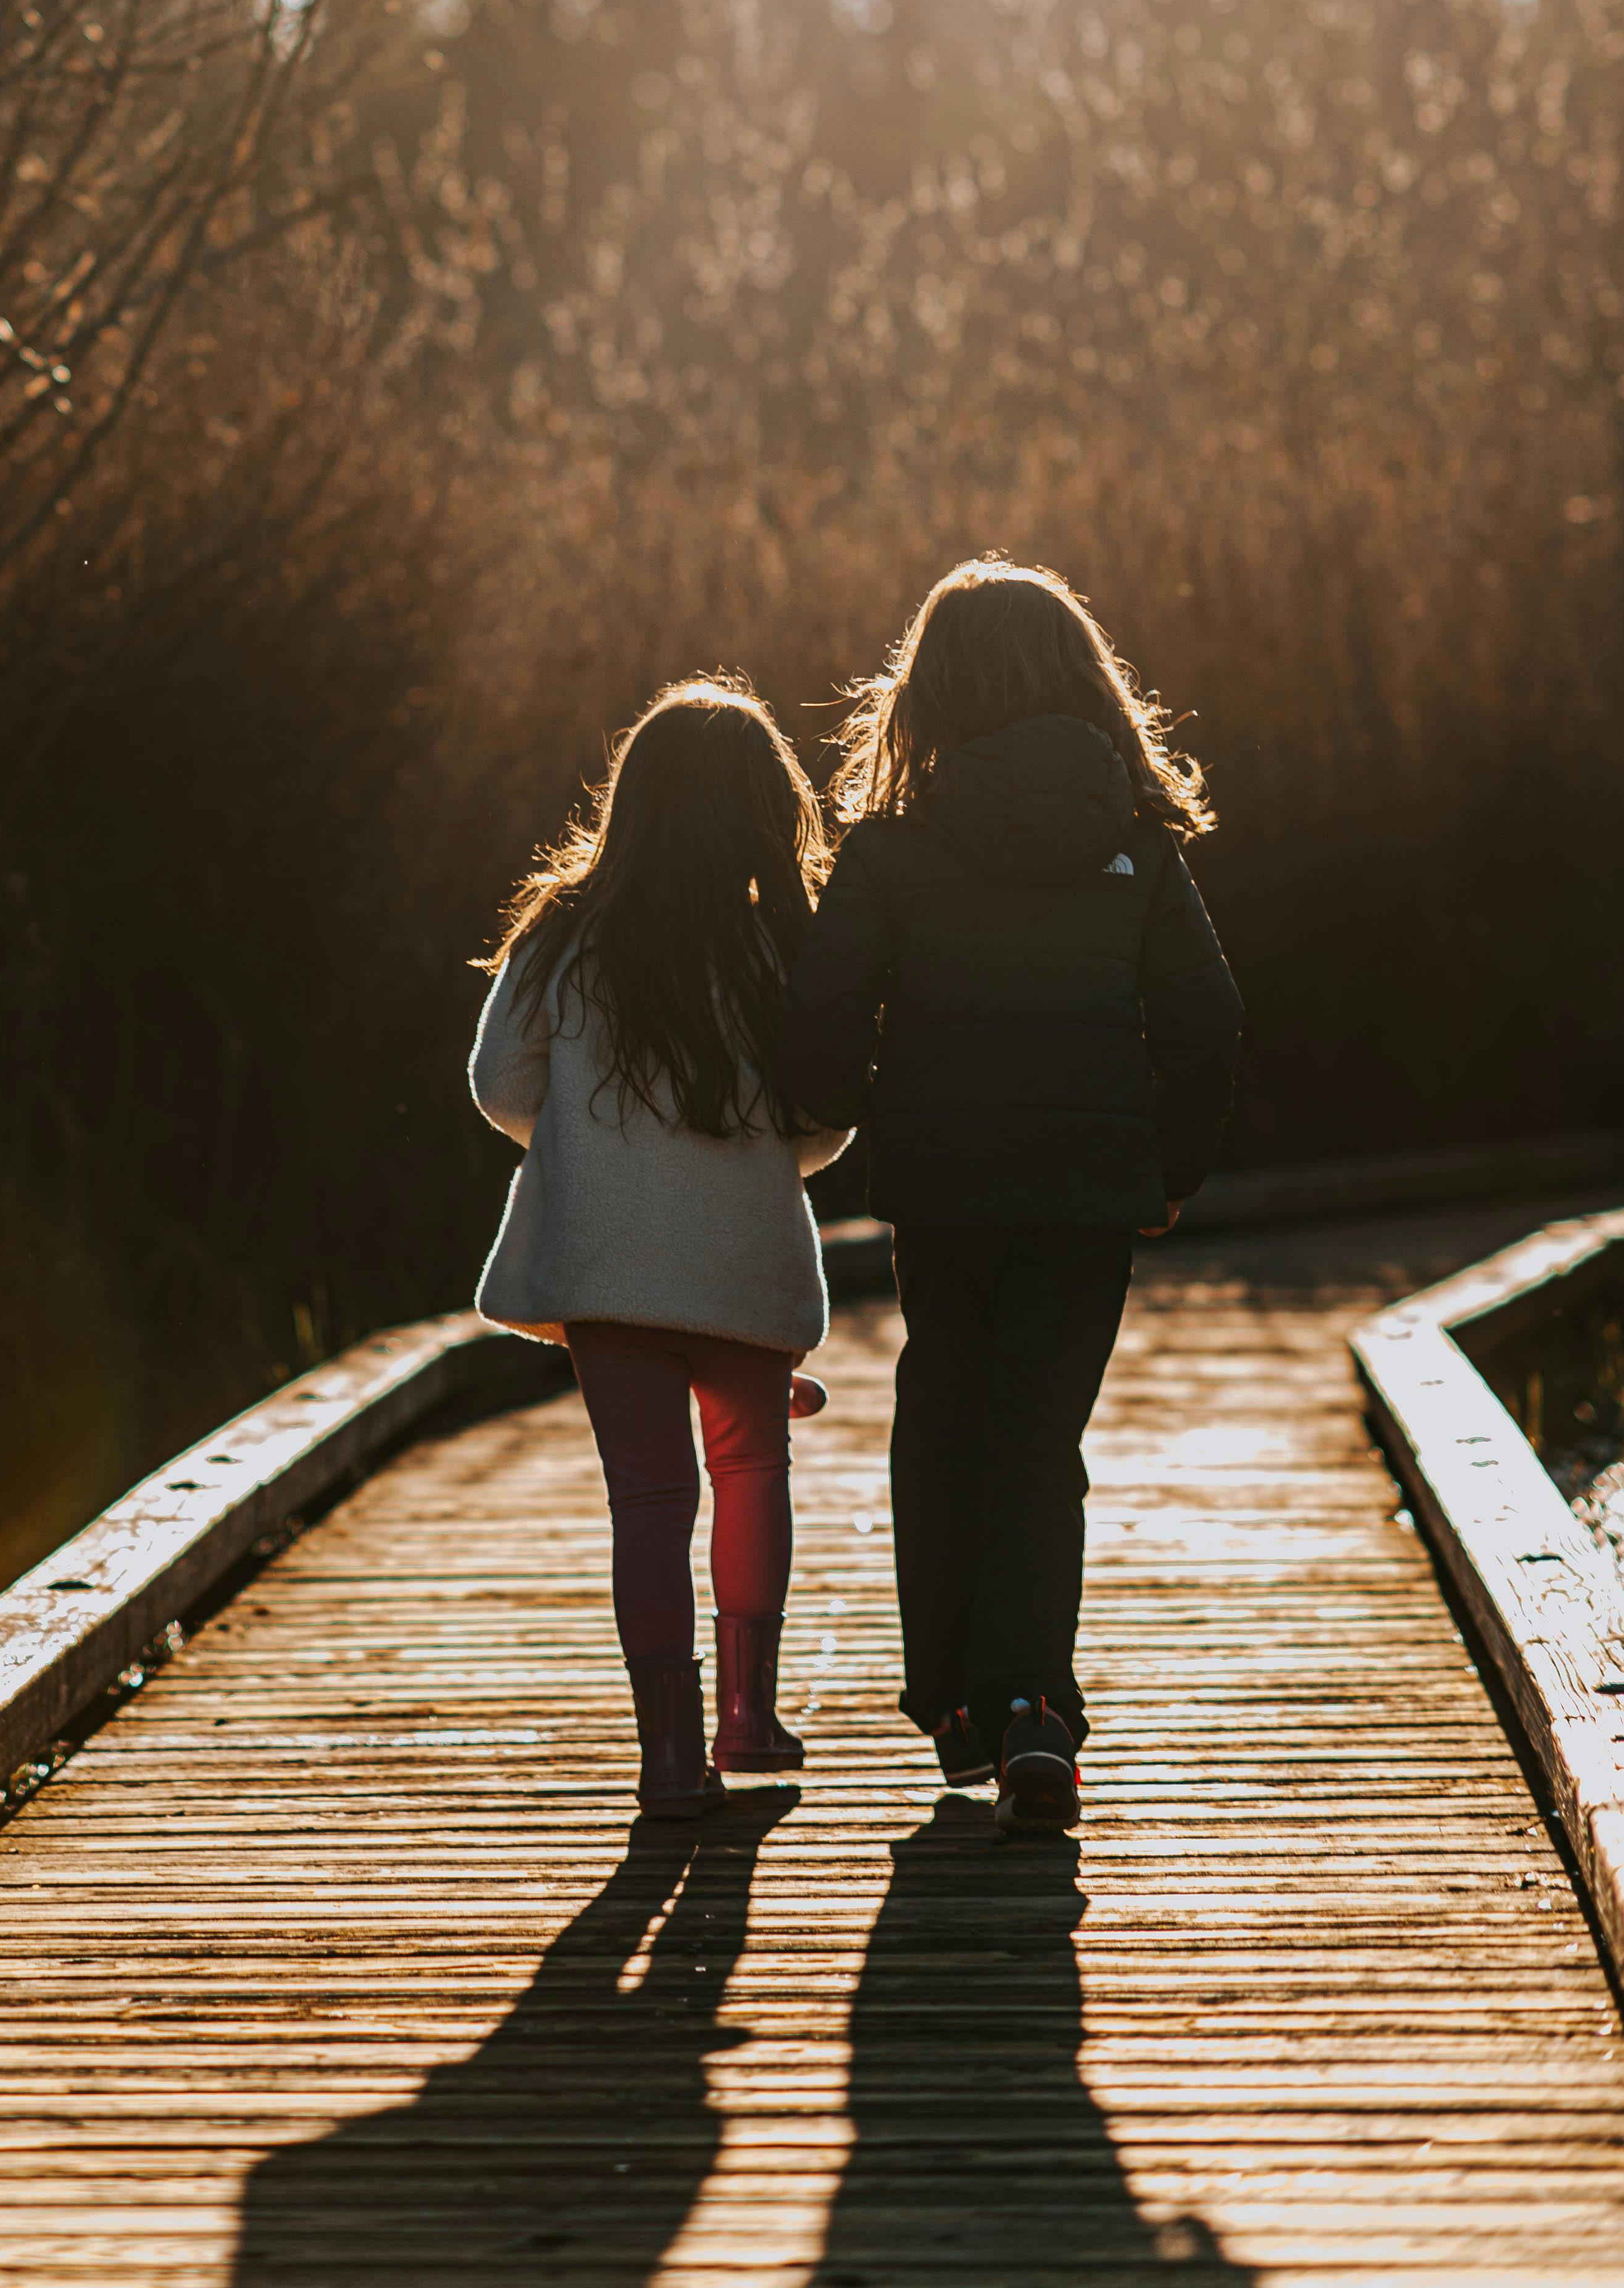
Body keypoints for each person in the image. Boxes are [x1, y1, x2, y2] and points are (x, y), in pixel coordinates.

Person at [771, 558, 1242, 1837]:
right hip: (1087, 1195)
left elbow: (817, 1015)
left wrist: (852, 1109)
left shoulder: (887, 852)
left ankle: (956, 1713)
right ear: (1080, 681)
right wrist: (1166, 1173)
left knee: (939, 1415)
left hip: (940, 1183)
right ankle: (1034, 1704)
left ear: (925, 693)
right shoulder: (1138, 854)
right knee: (1036, 1437)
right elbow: (1205, 1022)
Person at [469, 676, 853, 1816]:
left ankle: (667, 1759)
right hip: (743, 1269)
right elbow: (824, 1120)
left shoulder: (560, 935)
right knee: (752, 1476)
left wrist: (590, 1140)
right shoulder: (782, 947)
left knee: (648, 1503)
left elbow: (499, 1086)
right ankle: (750, 1717)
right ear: (760, 811)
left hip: (606, 1273)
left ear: (633, 801)